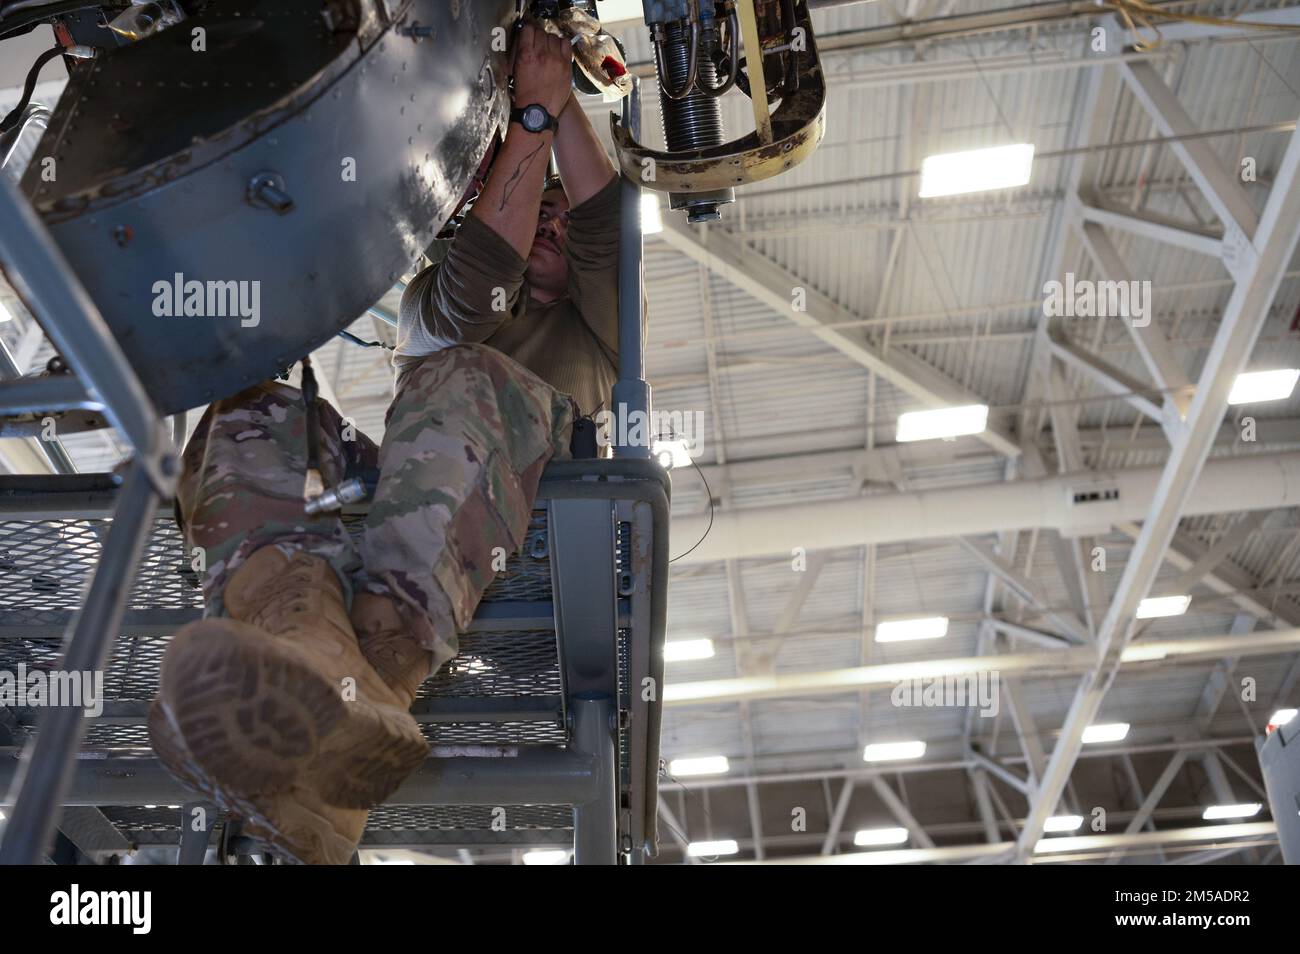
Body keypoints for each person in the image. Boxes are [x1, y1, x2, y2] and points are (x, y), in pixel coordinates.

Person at [148, 22, 627, 864]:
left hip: (523, 496)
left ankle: (366, 674)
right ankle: (315, 664)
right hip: (427, 488)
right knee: (250, 414)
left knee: (466, 379)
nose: (551, 224)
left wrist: (550, 103)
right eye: (535, 209)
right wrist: (536, 111)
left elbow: (606, 216)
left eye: (558, 219)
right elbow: (482, 276)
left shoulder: (598, 334)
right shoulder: (429, 298)